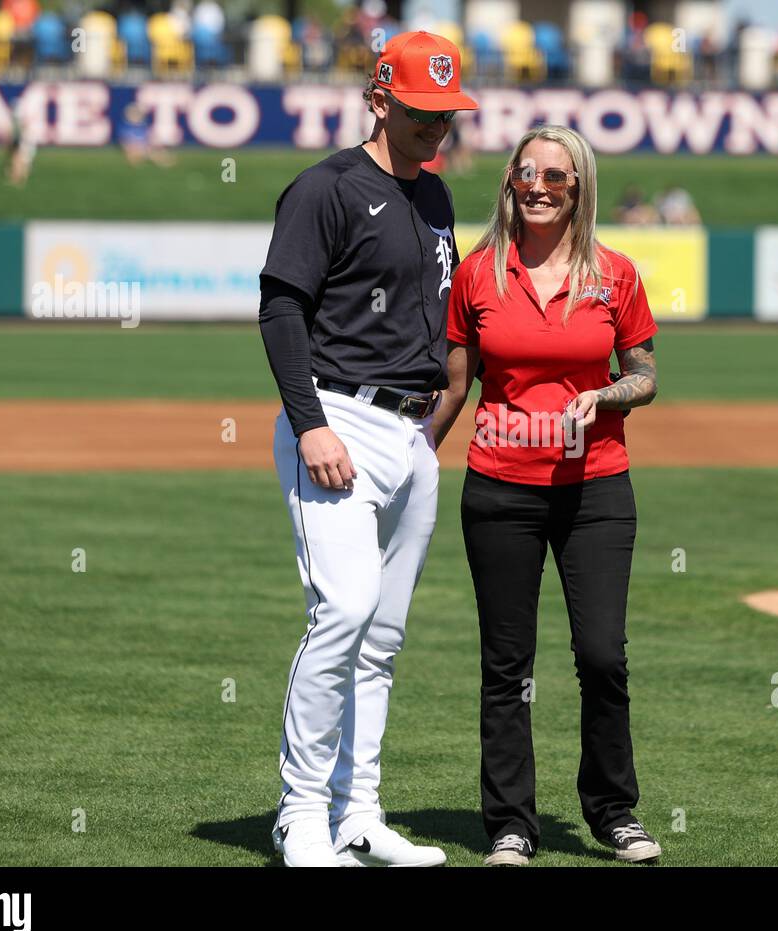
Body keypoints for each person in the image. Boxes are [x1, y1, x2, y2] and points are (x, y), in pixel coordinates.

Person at [258, 30, 477, 867]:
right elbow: (282, 311)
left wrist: (430, 436)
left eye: (447, 115)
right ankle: (302, 815)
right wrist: (310, 423)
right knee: (342, 611)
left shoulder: (437, 199)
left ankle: (360, 813)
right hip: (338, 420)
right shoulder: (326, 190)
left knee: (382, 636)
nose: (436, 129)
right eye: (422, 113)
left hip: (410, 433)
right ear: (378, 99)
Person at [432, 125, 662, 866]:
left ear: (579, 188)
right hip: (499, 489)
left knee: (602, 655)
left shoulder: (616, 274)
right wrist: (408, 457)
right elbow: (455, 385)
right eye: (525, 173)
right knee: (507, 663)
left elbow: (646, 374)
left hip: (596, 489)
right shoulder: (477, 276)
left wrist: (609, 395)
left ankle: (612, 811)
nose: (538, 186)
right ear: (509, 181)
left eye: (555, 177)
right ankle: (509, 824)